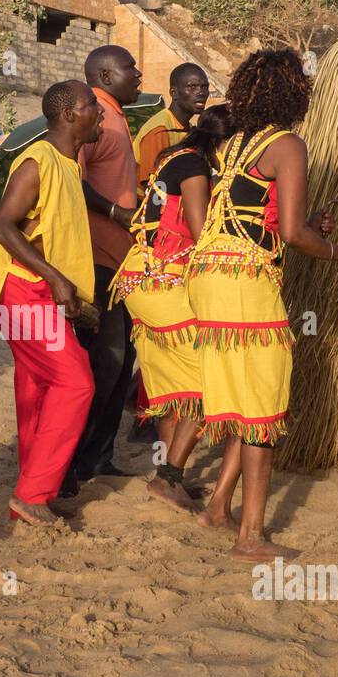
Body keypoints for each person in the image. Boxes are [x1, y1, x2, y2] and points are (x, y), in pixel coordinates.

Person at [187, 51, 338, 556]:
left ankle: (219, 506)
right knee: (263, 403)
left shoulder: (236, 140)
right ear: (294, 93)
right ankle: (251, 537)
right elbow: (290, 234)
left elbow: (262, 215)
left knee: (244, 401)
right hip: (245, 280)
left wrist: (313, 229)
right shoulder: (286, 144)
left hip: (210, 275)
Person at [0, 81, 101, 524]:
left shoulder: (69, 164)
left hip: (39, 292)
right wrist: (55, 279)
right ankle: (32, 493)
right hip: (23, 290)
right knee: (76, 384)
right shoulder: (37, 161)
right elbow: (2, 225)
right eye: (93, 106)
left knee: (37, 390)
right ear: (69, 114)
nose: (101, 115)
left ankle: (31, 494)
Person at [114, 104, 234, 512]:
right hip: (164, 281)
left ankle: (169, 472)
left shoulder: (173, 158)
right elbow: (201, 236)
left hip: (140, 277)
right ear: (226, 142)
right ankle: (168, 478)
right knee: (207, 380)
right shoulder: (197, 168)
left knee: (170, 387)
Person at [63, 45, 143, 496]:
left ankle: (99, 457)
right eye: (130, 67)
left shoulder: (113, 117)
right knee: (103, 363)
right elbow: (73, 181)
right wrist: (116, 210)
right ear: (106, 75)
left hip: (120, 258)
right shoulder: (94, 119)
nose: (138, 73)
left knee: (120, 360)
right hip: (96, 259)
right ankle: (76, 462)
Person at [133, 62, 210, 187]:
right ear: (174, 92)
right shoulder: (160, 130)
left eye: (204, 87)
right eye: (192, 87)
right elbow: (152, 185)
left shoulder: (188, 129)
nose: (201, 92)